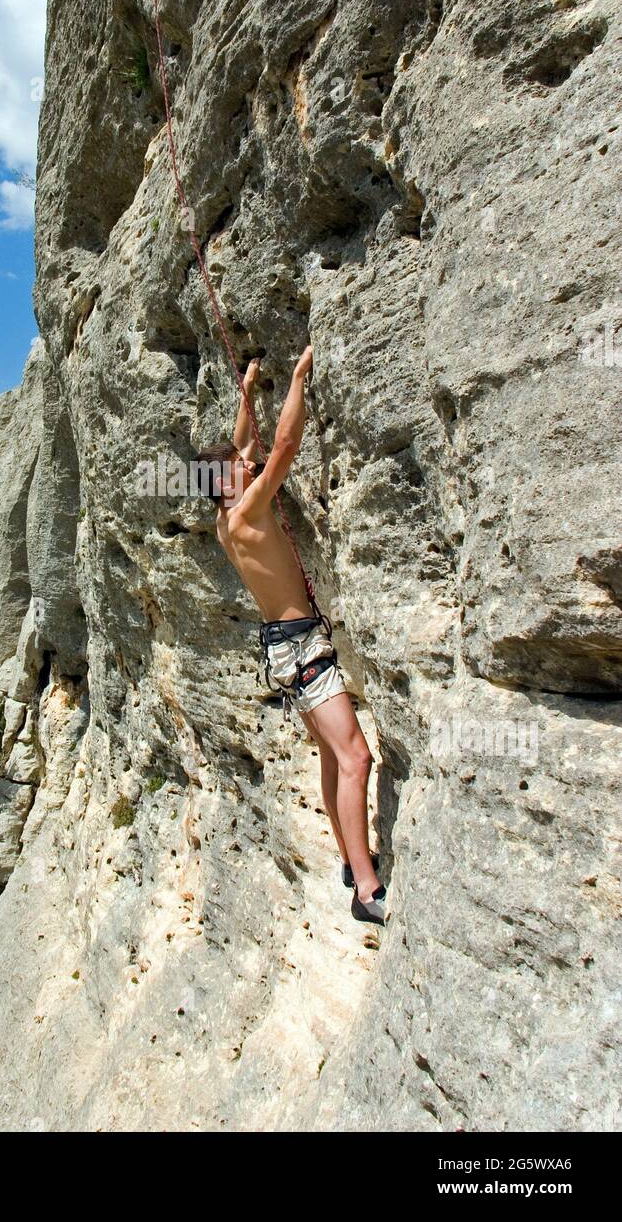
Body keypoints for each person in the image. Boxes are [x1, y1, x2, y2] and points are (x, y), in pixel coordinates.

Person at [195, 346, 387, 926]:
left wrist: (248, 393)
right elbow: (280, 448)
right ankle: (367, 889)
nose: (243, 463)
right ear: (228, 481)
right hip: (301, 646)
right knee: (356, 758)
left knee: (334, 756)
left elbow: (248, 447)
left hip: (284, 648)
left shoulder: (226, 519)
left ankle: (351, 861)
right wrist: (299, 378)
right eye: (235, 466)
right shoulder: (250, 508)